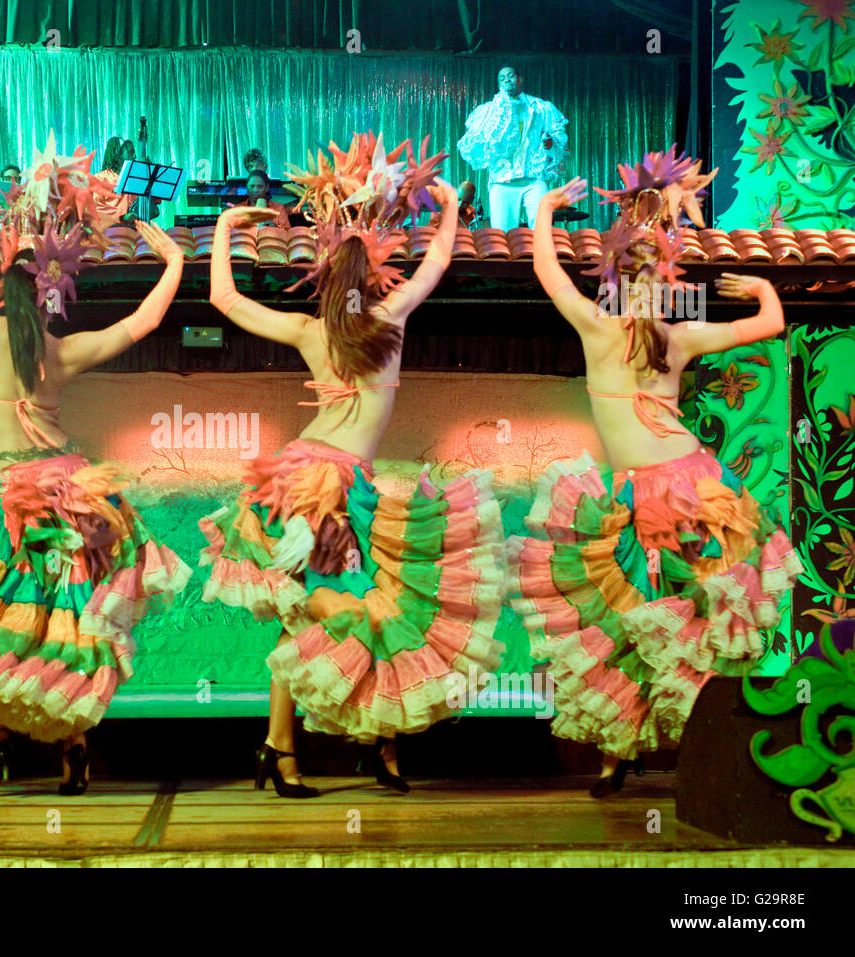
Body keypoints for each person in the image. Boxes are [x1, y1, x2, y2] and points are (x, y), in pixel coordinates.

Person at [201, 134, 506, 797]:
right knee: (360, 606)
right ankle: (342, 749)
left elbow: (224, 300)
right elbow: (444, 257)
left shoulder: (316, 331)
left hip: (303, 476)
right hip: (325, 487)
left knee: (321, 613)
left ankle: (299, 749)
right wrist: (450, 203)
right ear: (373, 275)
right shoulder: (391, 315)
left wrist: (226, 225)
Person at [0, 139, 190, 797]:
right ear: (51, 295)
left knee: (4, 621)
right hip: (70, 503)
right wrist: (173, 261)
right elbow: (144, 320)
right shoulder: (64, 350)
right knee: (61, 623)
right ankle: (72, 748)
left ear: (0, 288)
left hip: (14, 506)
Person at [512, 147, 802, 796]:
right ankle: (646, 750)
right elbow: (773, 322)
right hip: (680, 485)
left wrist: (545, 210)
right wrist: (761, 291)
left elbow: (548, 271)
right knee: (658, 616)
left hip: (673, 491)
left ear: (613, 276)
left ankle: (677, 755)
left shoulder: (604, 327)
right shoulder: (671, 334)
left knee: (656, 616)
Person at [457, 65, 567, 230]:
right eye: (502, 78)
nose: (507, 79)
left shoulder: (541, 108)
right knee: (502, 233)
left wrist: (550, 145)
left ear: (520, 79)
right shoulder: (489, 111)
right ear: (498, 84)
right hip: (502, 180)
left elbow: (559, 146)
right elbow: (473, 146)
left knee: (542, 227)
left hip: (534, 179)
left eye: (511, 75)